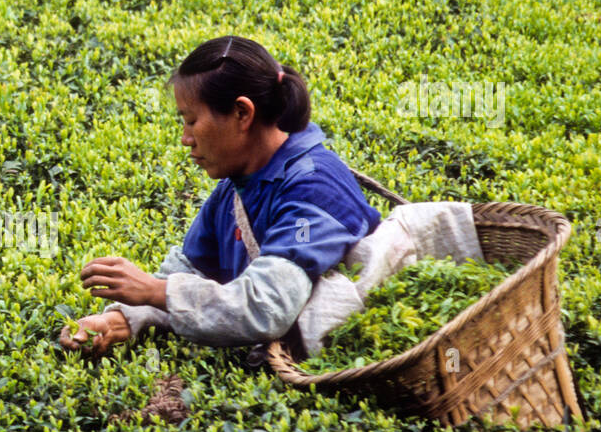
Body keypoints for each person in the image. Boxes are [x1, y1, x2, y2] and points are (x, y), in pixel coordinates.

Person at [59, 35, 381, 356]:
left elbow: (267, 307)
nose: (186, 138)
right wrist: (121, 320)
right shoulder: (237, 186)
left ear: (242, 113)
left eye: (191, 121)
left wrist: (155, 291)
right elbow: (191, 270)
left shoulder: (314, 188)